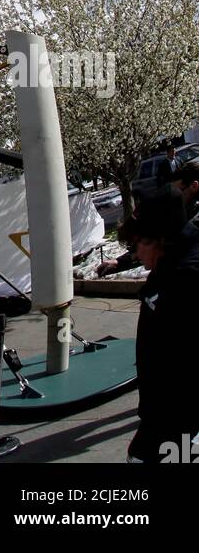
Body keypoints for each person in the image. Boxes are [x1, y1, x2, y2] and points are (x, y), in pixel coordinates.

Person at [124, 189, 199, 463]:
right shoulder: (173, 258)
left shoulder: (186, 278)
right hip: (163, 410)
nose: (136, 255)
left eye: (137, 245)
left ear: (159, 240)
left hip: (179, 414)